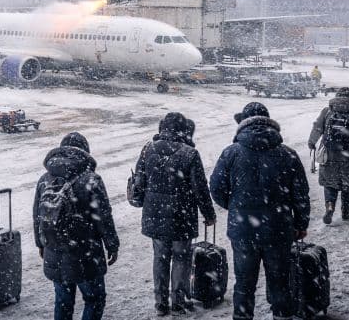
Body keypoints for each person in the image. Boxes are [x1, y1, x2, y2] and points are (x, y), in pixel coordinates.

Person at [210, 102, 310, 320]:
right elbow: (300, 194)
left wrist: (236, 206)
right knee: (280, 281)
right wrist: (301, 224)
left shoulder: (231, 153)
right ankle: (282, 316)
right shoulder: (288, 154)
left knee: (244, 282)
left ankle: (243, 317)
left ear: (242, 125)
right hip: (279, 229)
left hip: (243, 229)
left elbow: (216, 188)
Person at [134, 113, 216, 316]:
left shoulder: (148, 149)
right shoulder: (189, 153)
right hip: (182, 215)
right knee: (181, 258)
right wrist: (208, 213)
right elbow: (200, 188)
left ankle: (161, 303)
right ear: (184, 130)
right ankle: (178, 302)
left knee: (160, 258)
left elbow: (139, 182)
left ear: (162, 127)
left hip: (154, 214)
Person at [33, 132, 119, 320]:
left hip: (54, 248)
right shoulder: (91, 179)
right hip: (85, 253)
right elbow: (103, 217)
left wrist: (41, 244)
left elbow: (37, 216)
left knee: (63, 301)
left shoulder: (45, 179)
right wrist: (112, 244)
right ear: (85, 152)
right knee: (94, 299)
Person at [308, 87, 349, 224]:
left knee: (330, 184)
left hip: (330, 154)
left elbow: (317, 128)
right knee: (348, 186)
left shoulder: (327, 111)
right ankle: (345, 212)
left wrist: (312, 142)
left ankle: (330, 208)